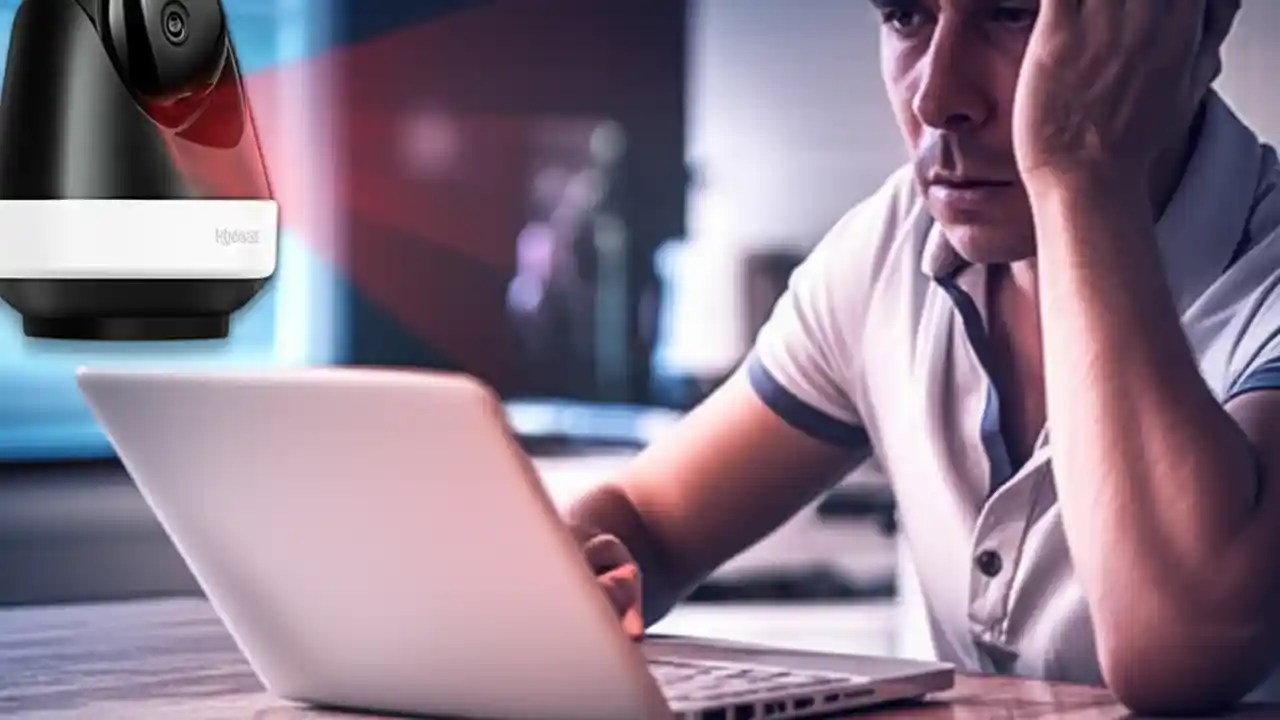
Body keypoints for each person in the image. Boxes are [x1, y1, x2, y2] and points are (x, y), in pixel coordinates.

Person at [564, 0, 1280, 714]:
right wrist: (567, 572)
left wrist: (1082, 171)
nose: (936, 98)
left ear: (1199, 28)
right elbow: (647, 521)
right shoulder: (893, 244)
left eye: (1011, 14)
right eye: (907, 16)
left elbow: (1179, 651)